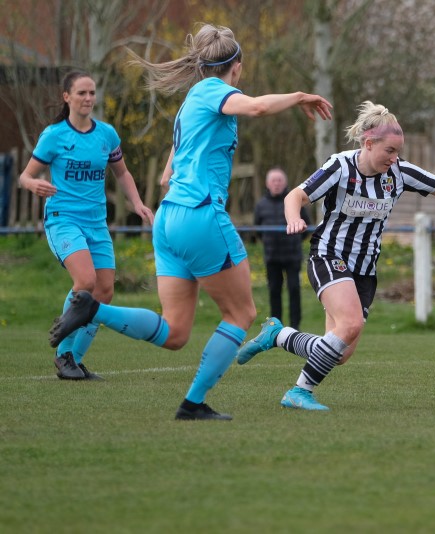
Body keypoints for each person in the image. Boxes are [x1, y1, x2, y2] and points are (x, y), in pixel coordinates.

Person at [48, 23, 333, 420]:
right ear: (236, 66)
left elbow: (166, 175)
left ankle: (92, 310)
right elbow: (257, 107)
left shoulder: (192, 101)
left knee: (175, 332)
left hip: (170, 218)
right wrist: (301, 95)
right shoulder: (214, 91)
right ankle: (193, 403)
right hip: (199, 214)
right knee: (242, 314)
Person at [235, 101, 435, 411]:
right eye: (389, 150)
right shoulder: (340, 167)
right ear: (369, 143)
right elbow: (297, 195)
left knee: (339, 353)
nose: (394, 157)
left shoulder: (398, 173)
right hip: (329, 256)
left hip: (364, 270)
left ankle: (278, 335)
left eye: (398, 151)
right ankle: (299, 392)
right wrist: (294, 217)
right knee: (350, 325)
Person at [19, 70, 155, 381]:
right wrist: (32, 184)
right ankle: (63, 353)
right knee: (85, 281)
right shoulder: (54, 135)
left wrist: (137, 203)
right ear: (66, 97)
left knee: (104, 291)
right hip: (63, 220)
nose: (88, 98)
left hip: (97, 223)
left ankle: (75, 361)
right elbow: (26, 175)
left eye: (92, 92)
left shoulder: (106, 134)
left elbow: (122, 173)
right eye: (82, 93)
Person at [254, 167, 311, 329]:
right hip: (272, 257)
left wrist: (295, 240)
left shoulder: (294, 202)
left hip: (292, 256)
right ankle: (275, 327)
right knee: (274, 291)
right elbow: (258, 230)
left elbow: (306, 226)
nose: (277, 184)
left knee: (294, 290)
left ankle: (294, 327)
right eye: (274, 181)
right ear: (268, 184)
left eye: (279, 180)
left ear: (284, 183)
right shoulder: (261, 205)